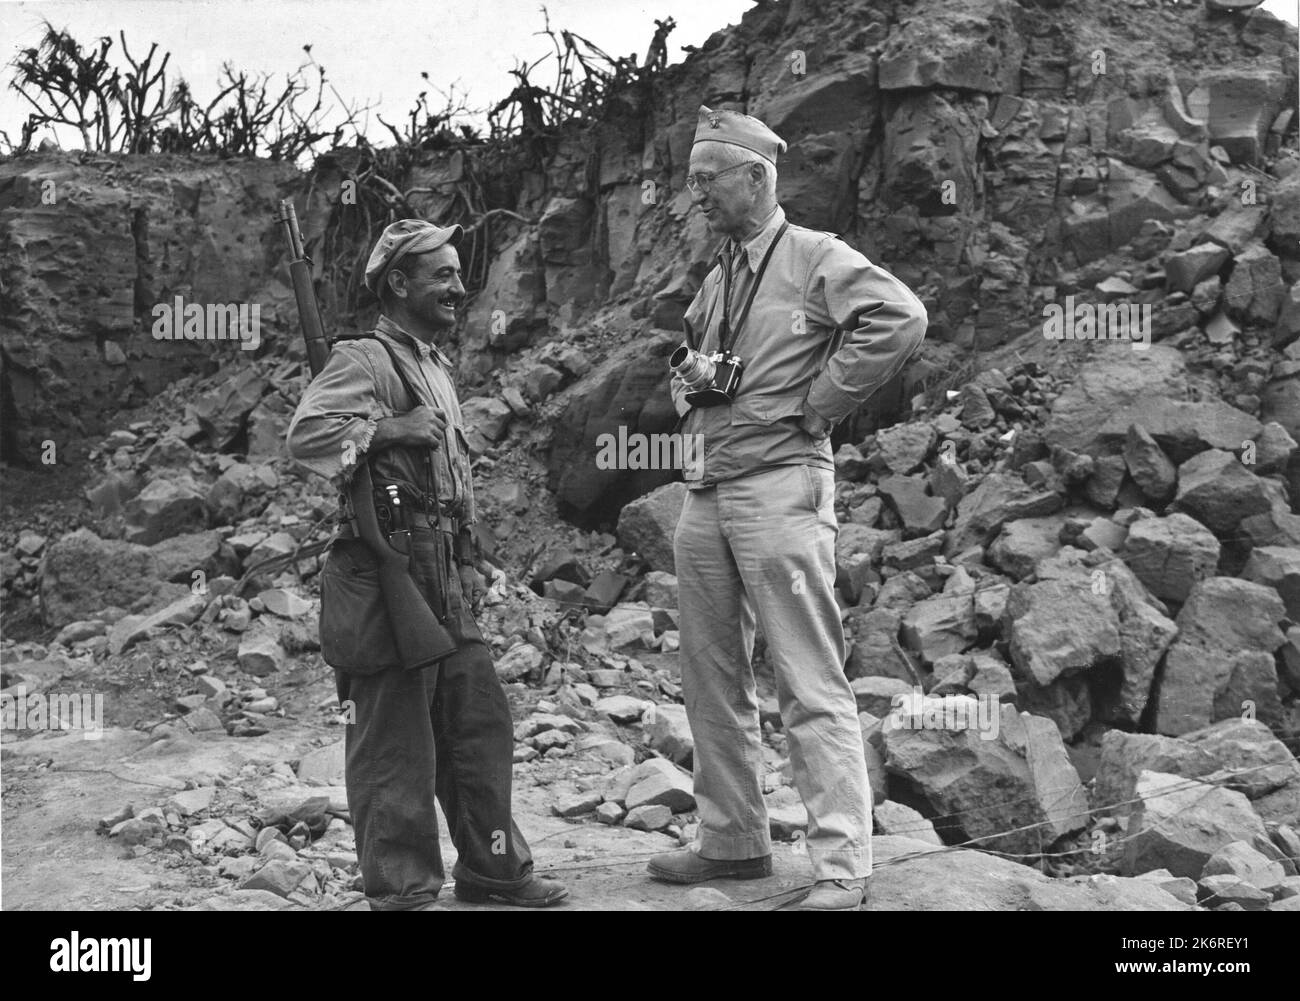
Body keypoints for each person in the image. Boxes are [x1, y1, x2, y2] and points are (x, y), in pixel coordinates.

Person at [646, 105, 928, 911]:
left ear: (756, 177)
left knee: (807, 675)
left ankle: (843, 868)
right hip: (707, 490)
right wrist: (689, 382)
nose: (694, 194)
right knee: (709, 676)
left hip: (781, 482)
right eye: (692, 179)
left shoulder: (814, 257)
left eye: (707, 180)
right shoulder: (718, 275)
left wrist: (821, 403)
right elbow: (691, 364)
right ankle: (733, 843)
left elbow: (900, 317)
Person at [286, 219, 567, 910]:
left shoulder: (436, 367)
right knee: (392, 738)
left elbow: (452, 475)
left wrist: (469, 556)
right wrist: (387, 428)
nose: (459, 286)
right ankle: (404, 889)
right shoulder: (364, 358)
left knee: (478, 723)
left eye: (457, 273)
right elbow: (307, 435)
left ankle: (494, 870)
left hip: (441, 569)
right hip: (384, 572)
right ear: (399, 282)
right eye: (441, 274)